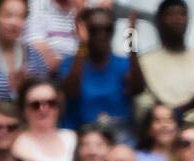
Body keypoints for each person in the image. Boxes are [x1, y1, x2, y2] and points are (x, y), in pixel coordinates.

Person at [137, 0, 194, 122]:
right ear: (159, 21)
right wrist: (190, 106)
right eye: (171, 14)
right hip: (162, 133)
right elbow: (143, 113)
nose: (177, 19)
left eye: (182, 14)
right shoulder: (145, 63)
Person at [59, 7, 143, 139]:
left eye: (107, 29)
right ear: (84, 31)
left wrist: (131, 42)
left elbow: (137, 89)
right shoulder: (70, 63)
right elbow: (71, 92)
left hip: (117, 136)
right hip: (80, 135)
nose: (101, 34)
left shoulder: (122, 63)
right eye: (94, 30)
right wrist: (82, 45)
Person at [12, 78, 77, 161]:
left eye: (51, 103)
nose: (44, 109)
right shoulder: (19, 143)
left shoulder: (71, 137)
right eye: (35, 105)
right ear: (23, 110)